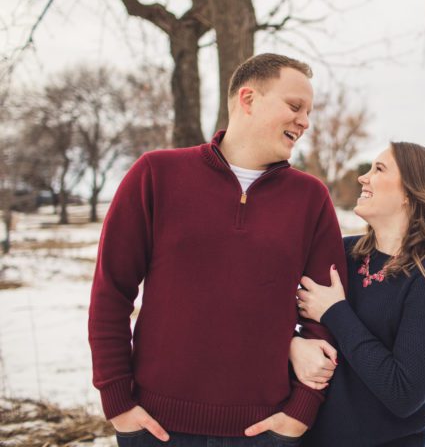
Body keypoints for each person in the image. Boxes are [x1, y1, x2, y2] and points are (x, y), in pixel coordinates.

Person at [88, 53, 347, 446]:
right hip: (155, 428)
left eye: (309, 111)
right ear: (248, 100)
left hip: (265, 431)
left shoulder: (310, 199)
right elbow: (111, 292)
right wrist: (117, 401)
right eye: (295, 107)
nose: (305, 122)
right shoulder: (156, 175)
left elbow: (326, 314)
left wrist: (300, 413)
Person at [289, 142, 425, 446]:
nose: (363, 177)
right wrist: (292, 346)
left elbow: (403, 394)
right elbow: (272, 316)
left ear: (410, 193)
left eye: (379, 169)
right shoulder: (342, 252)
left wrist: (336, 313)